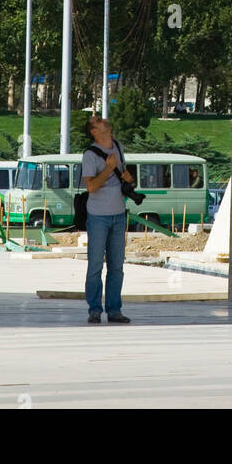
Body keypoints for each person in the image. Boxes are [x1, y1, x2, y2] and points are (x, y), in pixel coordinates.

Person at [81, 115, 134, 324]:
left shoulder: (118, 146)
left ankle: (114, 310)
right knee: (95, 266)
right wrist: (109, 168)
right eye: (98, 121)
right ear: (94, 130)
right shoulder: (90, 155)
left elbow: (122, 174)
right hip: (98, 216)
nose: (104, 120)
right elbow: (91, 187)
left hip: (119, 214)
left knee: (117, 266)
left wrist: (127, 178)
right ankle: (94, 309)